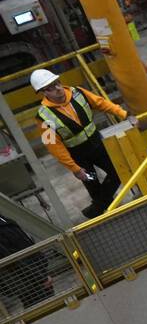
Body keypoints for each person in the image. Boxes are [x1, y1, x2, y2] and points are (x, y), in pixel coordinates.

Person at [32, 69, 130, 219]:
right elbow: (54, 147)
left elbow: (100, 103)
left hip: (97, 144)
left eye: (57, 83)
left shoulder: (78, 93)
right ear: (43, 92)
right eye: (51, 88)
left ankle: (97, 207)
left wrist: (122, 113)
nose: (57, 88)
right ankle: (107, 213)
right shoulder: (43, 116)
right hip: (77, 154)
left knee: (118, 172)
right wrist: (75, 169)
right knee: (91, 182)